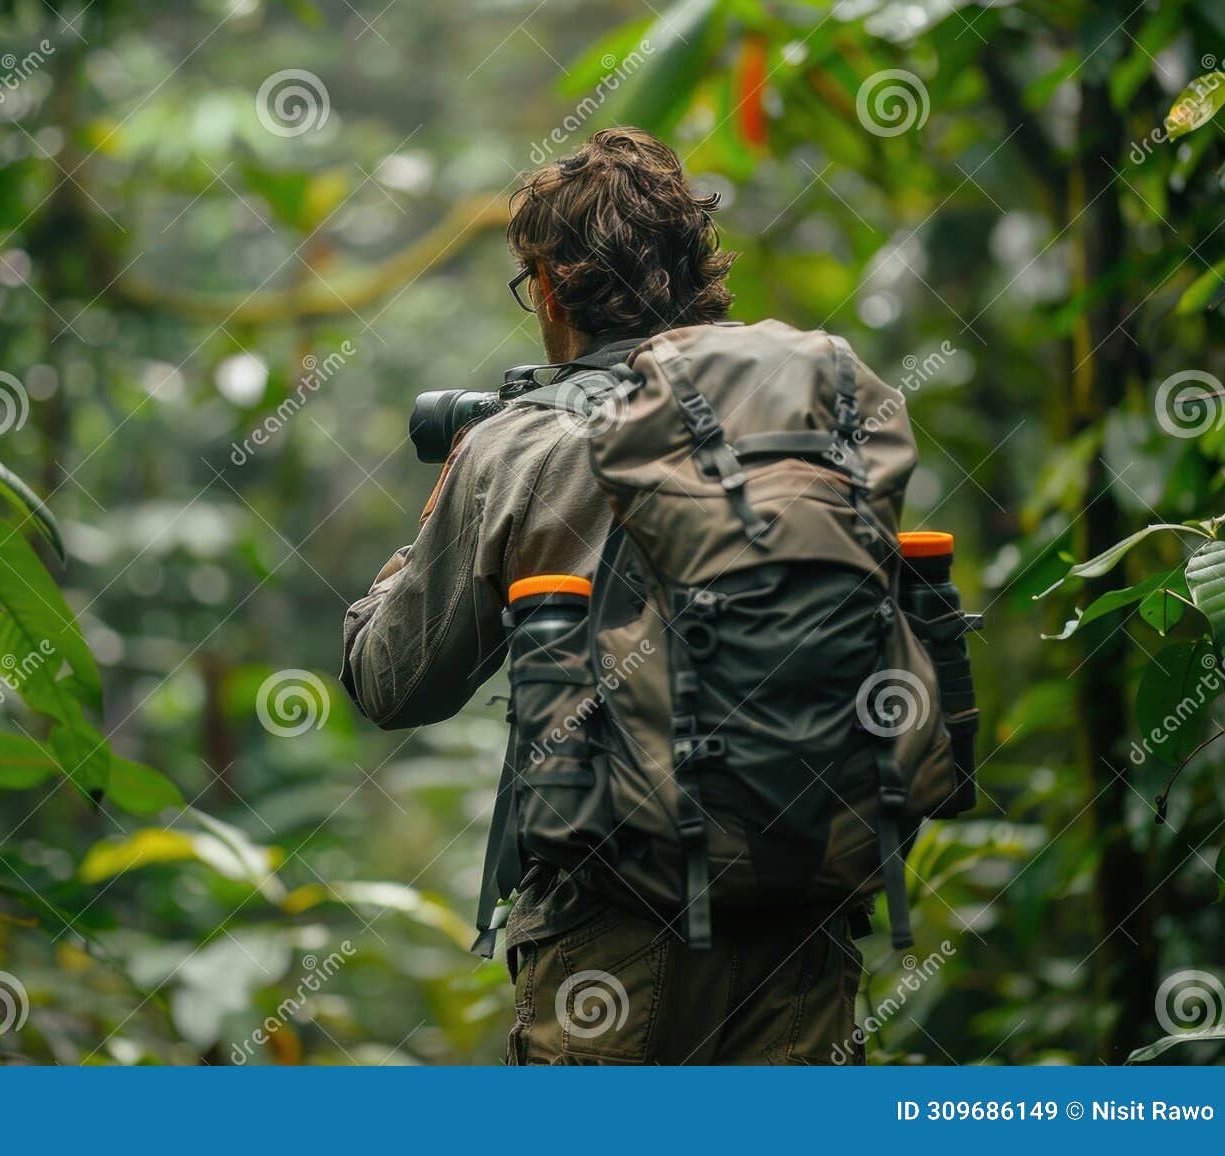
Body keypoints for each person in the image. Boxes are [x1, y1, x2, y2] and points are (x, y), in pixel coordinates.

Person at [340, 127, 865, 1065]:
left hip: (614, 936)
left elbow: (392, 681)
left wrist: (446, 505)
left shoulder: (521, 449)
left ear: (550, 284)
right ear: (695, 264)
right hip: (804, 919)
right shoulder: (815, 414)